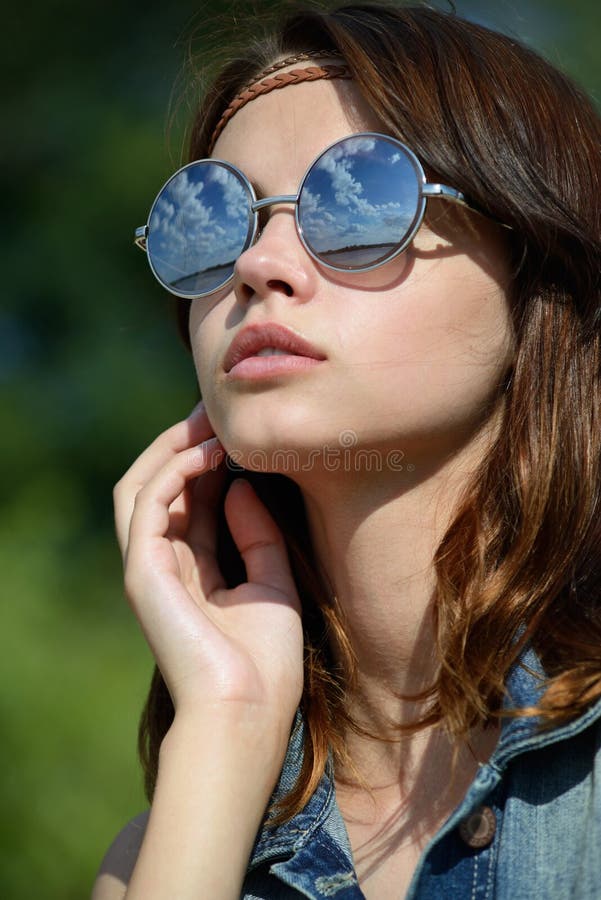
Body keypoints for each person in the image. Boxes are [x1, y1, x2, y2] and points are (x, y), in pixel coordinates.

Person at [92, 2, 601, 898]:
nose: (258, 264)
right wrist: (227, 721)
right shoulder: (162, 853)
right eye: (214, 222)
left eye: (356, 196)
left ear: (536, 265)